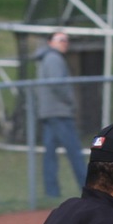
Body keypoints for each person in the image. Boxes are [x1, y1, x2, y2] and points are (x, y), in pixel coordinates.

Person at [33, 30, 87, 200]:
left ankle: (51, 192)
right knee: (74, 152)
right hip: (59, 113)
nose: (65, 43)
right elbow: (57, 85)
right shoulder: (54, 58)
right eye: (61, 40)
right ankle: (89, 190)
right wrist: (70, 101)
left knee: (50, 153)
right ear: (50, 42)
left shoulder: (47, 58)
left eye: (67, 40)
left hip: (50, 112)